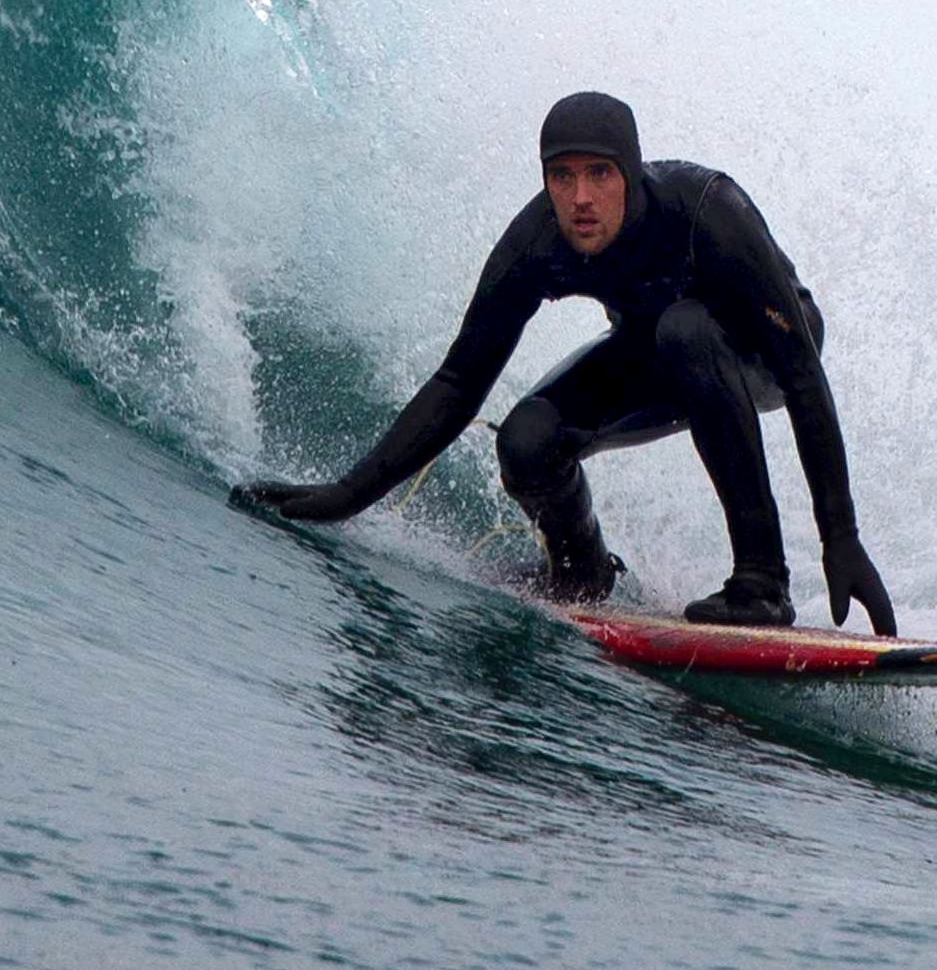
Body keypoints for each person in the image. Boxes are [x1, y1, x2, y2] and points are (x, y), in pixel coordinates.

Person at [230, 91, 895, 634]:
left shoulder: (707, 211)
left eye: (599, 173)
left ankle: (762, 583)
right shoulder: (538, 243)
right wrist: (345, 495)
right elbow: (459, 382)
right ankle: (581, 569)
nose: (580, 197)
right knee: (529, 438)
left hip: (767, 350)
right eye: (562, 175)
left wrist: (841, 536)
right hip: (661, 353)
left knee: (687, 328)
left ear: (630, 173)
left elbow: (802, 374)